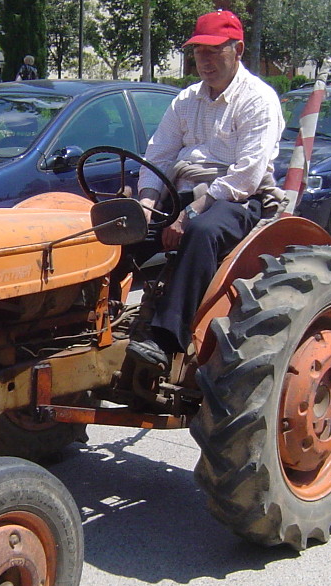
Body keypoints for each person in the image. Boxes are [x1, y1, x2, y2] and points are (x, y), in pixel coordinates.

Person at [126, 10, 285, 370]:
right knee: (120, 228)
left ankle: (165, 339)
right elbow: (159, 154)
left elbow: (246, 175)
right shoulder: (186, 100)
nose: (205, 61)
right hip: (181, 193)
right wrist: (146, 204)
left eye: (214, 51)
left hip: (235, 199)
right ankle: (91, 319)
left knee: (201, 231)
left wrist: (190, 212)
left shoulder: (258, 99)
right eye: (199, 52)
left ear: (238, 50)